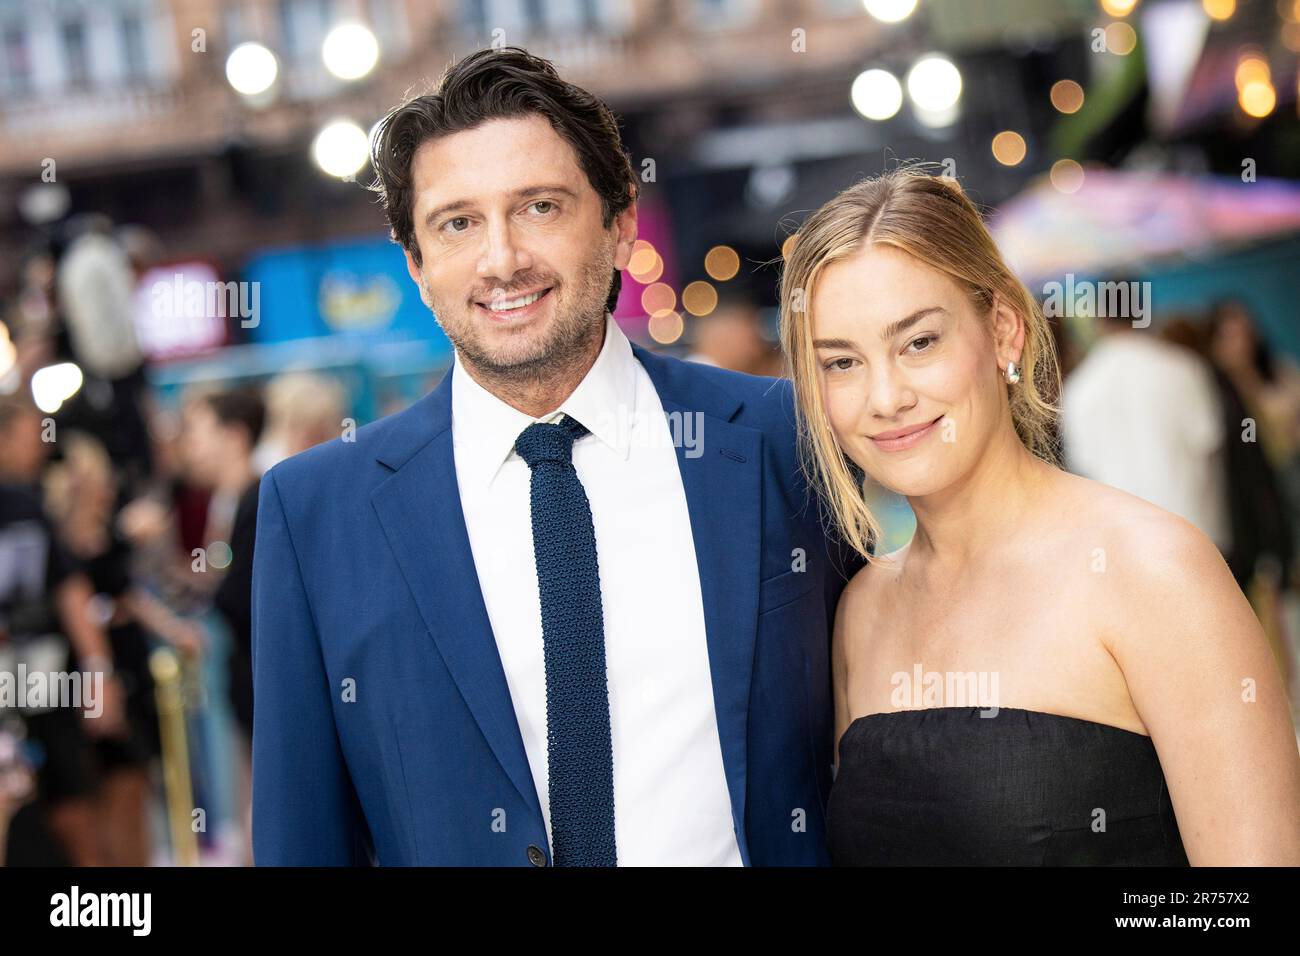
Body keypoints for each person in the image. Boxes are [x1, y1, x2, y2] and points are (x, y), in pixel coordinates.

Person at [252, 47, 859, 866]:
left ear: (619, 223)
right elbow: (302, 839)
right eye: (457, 223)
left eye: (540, 206)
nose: (502, 259)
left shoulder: (779, 438)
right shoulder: (314, 512)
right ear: (417, 266)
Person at [778, 167, 1300, 865]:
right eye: (841, 363)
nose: (886, 396)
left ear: (1002, 331)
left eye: (919, 343)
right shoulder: (862, 609)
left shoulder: (1151, 570)